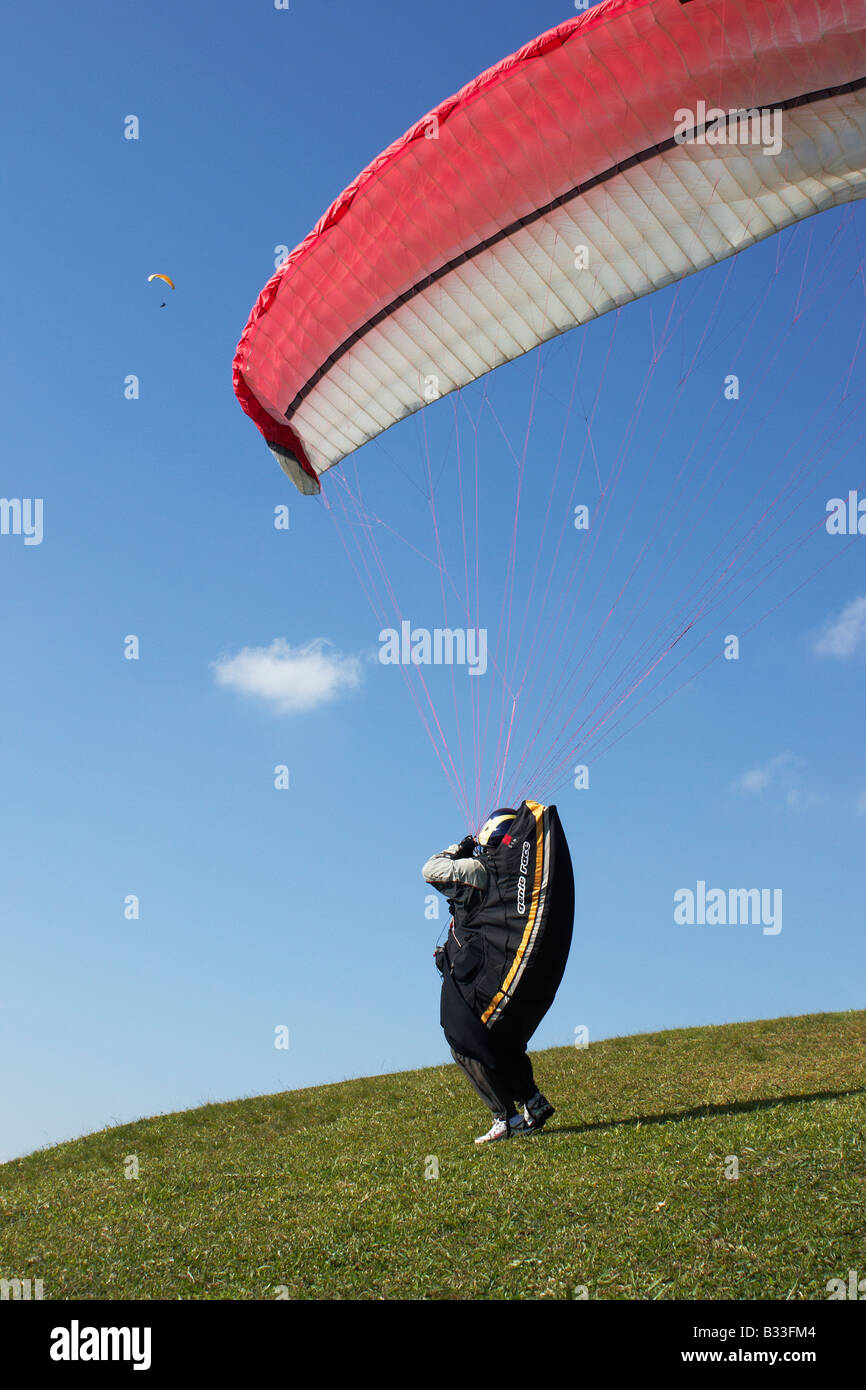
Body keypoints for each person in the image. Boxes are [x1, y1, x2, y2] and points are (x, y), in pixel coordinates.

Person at [423, 809, 556, 1145]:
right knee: (498, 1039)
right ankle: (533, 1103)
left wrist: (462, 846)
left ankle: (505, 1117)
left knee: (463, 1042)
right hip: (498, 973)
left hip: (475, 978)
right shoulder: (514, 878)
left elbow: (431, 870)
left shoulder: (479, 870)